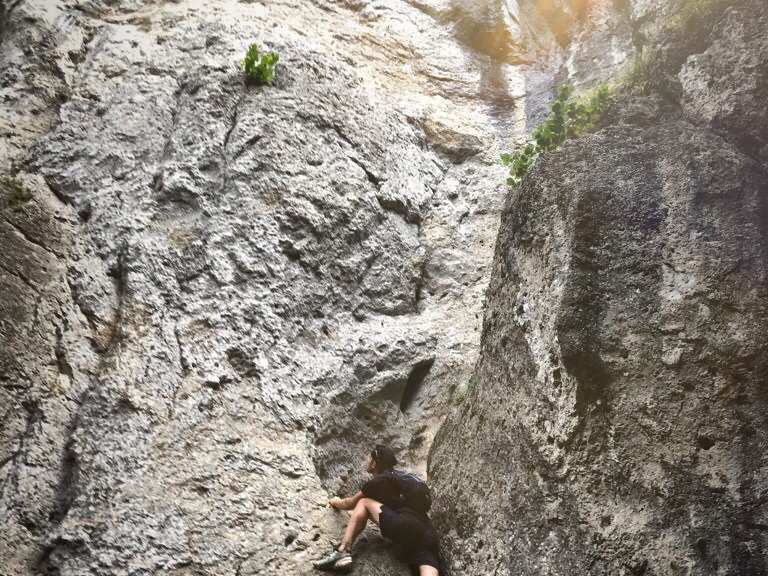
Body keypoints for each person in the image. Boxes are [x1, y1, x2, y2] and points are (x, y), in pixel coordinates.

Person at [313, 445, 441, 575]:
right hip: (427, 531)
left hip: (403, 524)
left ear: (374, 463)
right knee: (428, 564)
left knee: (363, 502)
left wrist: (334, 501)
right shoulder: (403, 478)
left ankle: (343, 551)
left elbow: (350, 503)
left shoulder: (379, 481)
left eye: (369, 459)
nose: (367, 461)